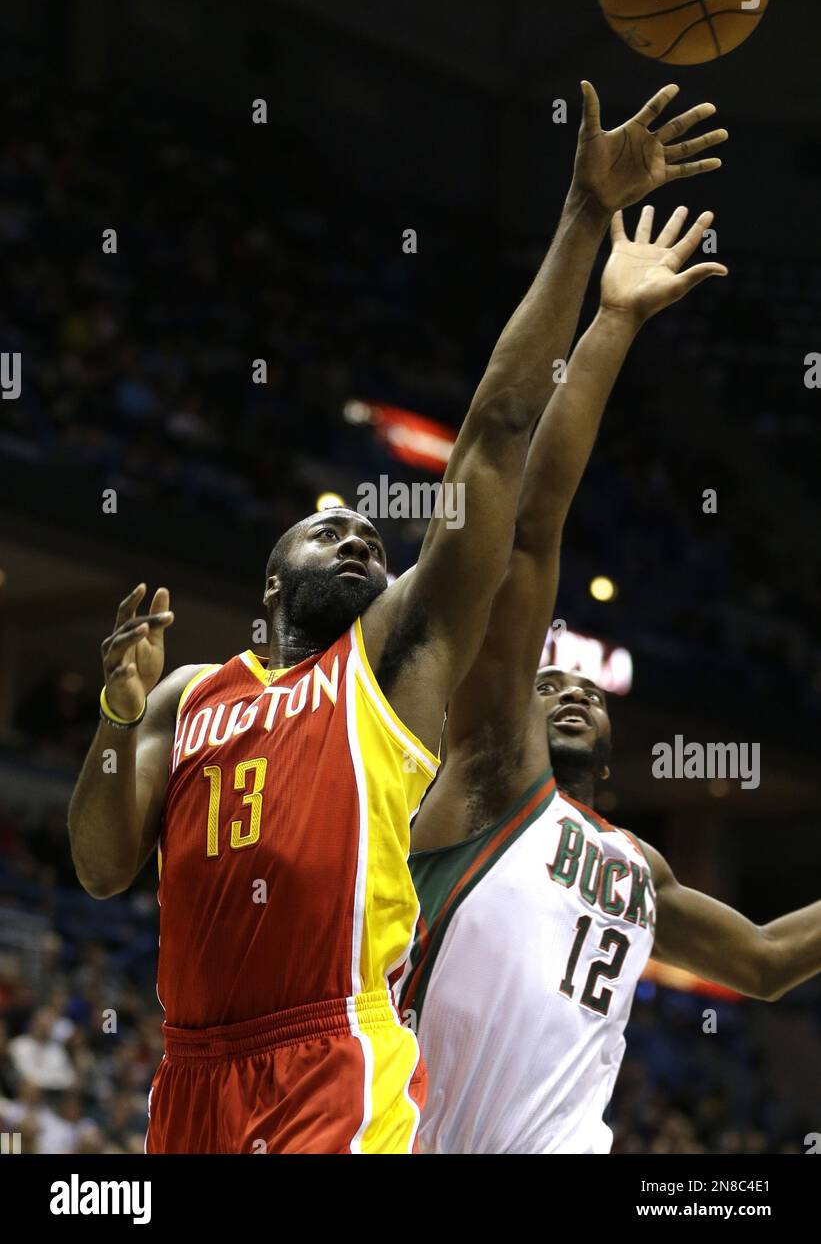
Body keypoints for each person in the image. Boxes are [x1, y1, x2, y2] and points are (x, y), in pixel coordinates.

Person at [69, 83, 726, 1154]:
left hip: (331, 1059)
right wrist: (111, 716)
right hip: (189, 1075)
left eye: (377, 544)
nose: (364, 542)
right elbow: (100, 866)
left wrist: (579, 224)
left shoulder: (388, 668)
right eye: (333, 536)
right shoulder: (189, 696)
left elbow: (496, 439)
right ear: (271, 581)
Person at [401, 205, 821, 1154]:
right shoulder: (487, 775)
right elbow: (533, 528)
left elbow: (761, 961)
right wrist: (615, 321)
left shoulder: (640, 868)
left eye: (581, 688)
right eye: (547, 685)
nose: (571, 688)